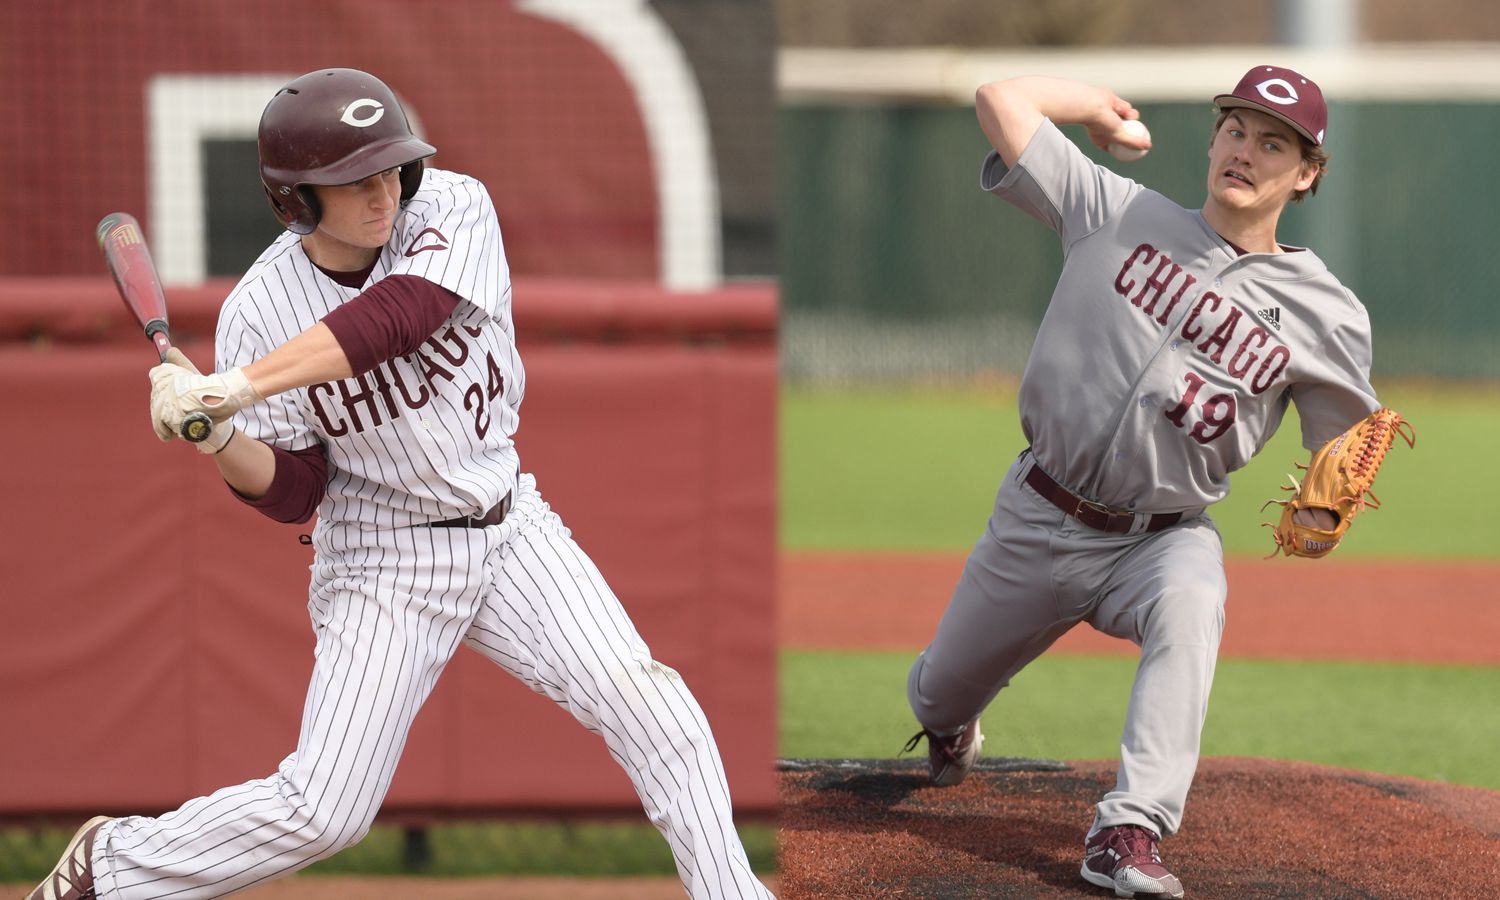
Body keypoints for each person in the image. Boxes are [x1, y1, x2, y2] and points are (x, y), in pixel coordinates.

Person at [28, 68, 772, 900]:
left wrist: (234, 387)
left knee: (653, 709)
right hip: (384, 560)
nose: (385, 190)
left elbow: (400, 315)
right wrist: (220, 438)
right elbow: (296, 490)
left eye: (392, 167)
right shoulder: (259, 311)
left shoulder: (453, 205)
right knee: (326, 811)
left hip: (510, 525)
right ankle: (113, 866)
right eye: (356, 179)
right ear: (296, 198)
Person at [902, 67, 1377, 898]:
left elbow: (1345, 445)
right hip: (1036, 515)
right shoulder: (1114, 209)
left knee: (1194, 600)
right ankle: (952, 724)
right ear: (1214, 139)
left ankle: (1129, 829)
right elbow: (999, 101)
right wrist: (1093, 108)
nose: (1245, 152)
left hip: (1161, 539)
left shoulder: (1325, 312)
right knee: (936, 695)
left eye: (1274, 145)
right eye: (1236, 130)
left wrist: (1330, 500)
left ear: (1307, 174)